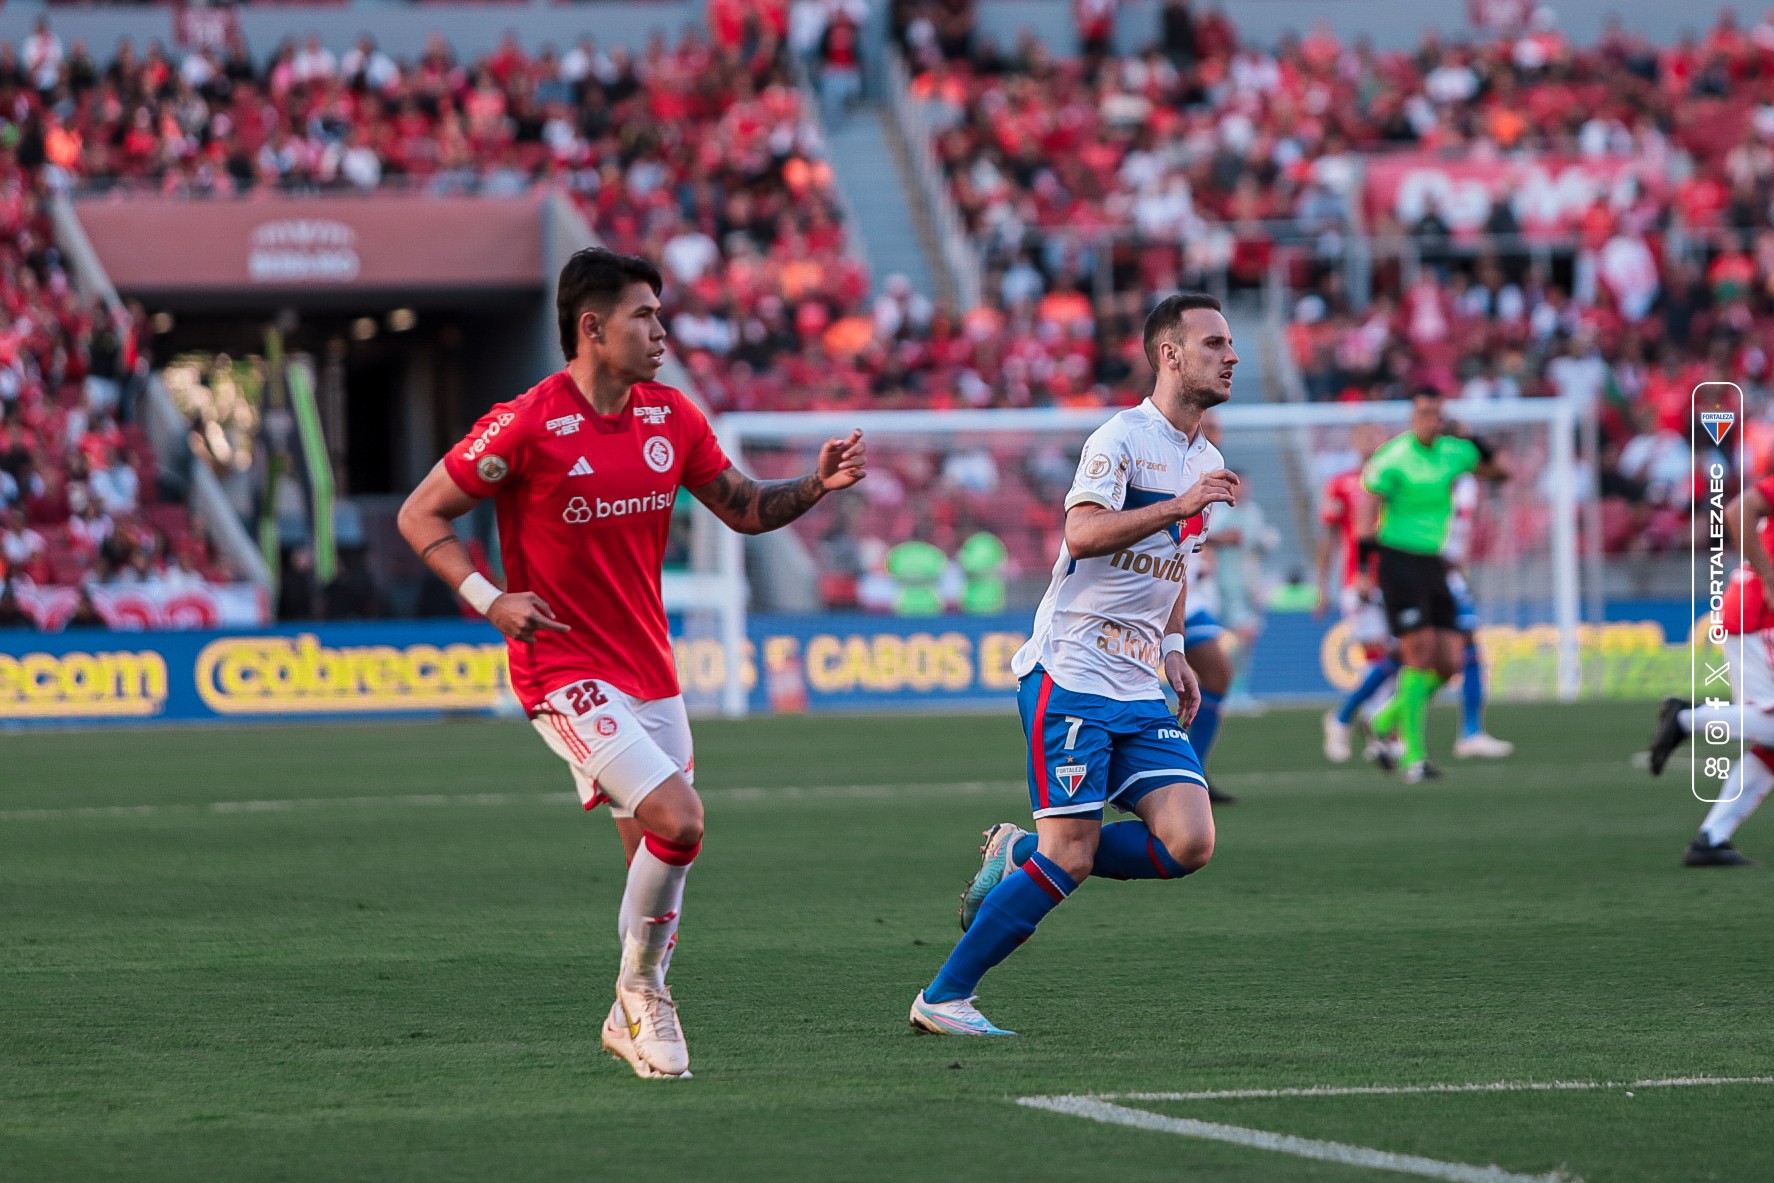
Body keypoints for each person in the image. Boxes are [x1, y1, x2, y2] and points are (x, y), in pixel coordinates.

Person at [398, 248, 867, 1078]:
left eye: (659, 313)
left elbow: (745, 507)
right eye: (644, 315)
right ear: (592, 328)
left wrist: (815, 484)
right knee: (681, 820)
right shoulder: (528, 423)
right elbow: (420, 512)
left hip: (651, 671)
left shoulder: (670, 417)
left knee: (651, 859)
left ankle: (625, 1012)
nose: (661, 330)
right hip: (561, 671)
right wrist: (489, 598)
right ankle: (646, 994)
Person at [908, 291, 1240, 1036]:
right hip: (1072, 675)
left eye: (1230, 344)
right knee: (1074, 856)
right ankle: (944, 994)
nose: (1231, 355)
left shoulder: (1206, 457)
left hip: (1139, 681)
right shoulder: (1119, 440)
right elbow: (1083, 533)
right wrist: (1177, 502)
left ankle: (1020, 849)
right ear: (1170, 354)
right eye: (1214, 342)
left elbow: (1175, 561)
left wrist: (1175, 647)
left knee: (1190, 842)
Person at [1357, 391, 1507, 783]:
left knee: (1449, 663)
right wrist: (1361, 567)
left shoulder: (1452, 453)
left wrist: (1472, 438)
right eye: (1423, 413)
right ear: (1413, 416)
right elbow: (1367, 508)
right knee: (1418, 654)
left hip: (1434, 564)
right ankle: (1414, 759)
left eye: (1436, 414)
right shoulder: (1393, 457)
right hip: (1398, 560)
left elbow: (1498, 472)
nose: (1430, 420)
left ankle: (1384, 716)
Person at [1648, 472, 1774, 866]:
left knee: (1771, 747)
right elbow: (1738, 510)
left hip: (1751, 613)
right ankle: (1687, 718)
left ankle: (1711, 839)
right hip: (1759, 613)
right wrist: (1769, 577)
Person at [1318, 423, 1396, 763]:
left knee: (1396, 659)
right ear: (1354, 443)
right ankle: (1371, 728)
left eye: (1377, 436)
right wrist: (1322, 587)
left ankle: (1359, 721)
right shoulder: (1342, 484)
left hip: (1397, 580)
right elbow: (1329, 539)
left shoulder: (1396, 481)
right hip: (1358, 581)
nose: (1371, 443)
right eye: (1364, 436)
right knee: (1381, 655)